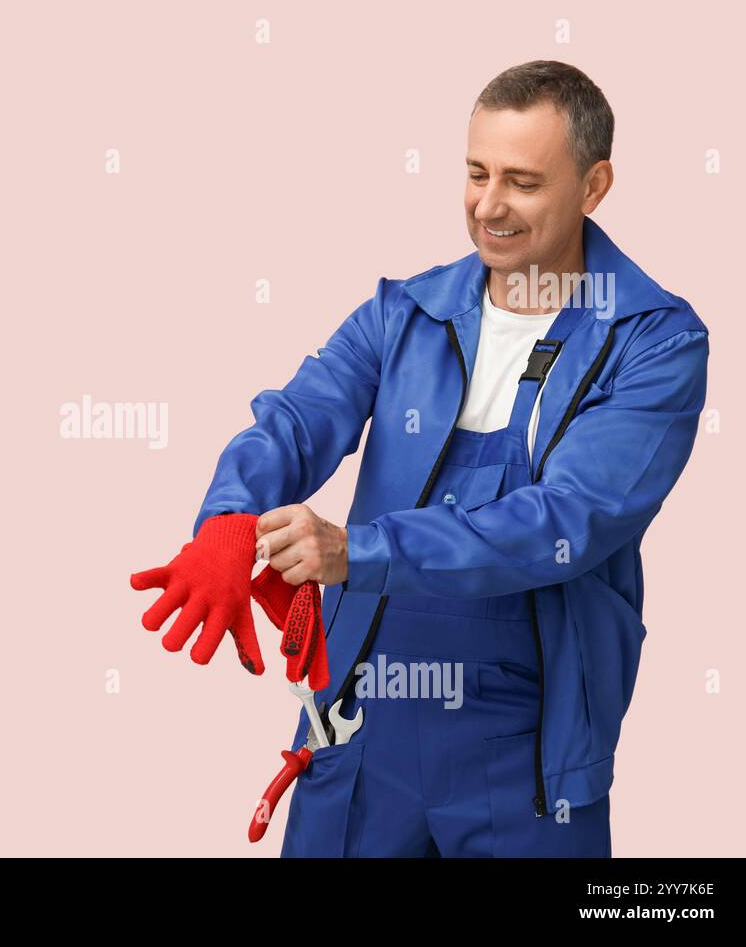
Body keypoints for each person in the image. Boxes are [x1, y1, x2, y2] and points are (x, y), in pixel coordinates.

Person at [130, 60, 709, 857]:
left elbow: (566, 520)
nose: (489, 206)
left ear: (595, 184)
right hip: (362, 736)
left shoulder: (653, 341)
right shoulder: (404, 314)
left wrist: (355, 551)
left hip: (530, 763)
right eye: (475, 174)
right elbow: (297, 421)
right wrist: (228, 519)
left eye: (523, 181)